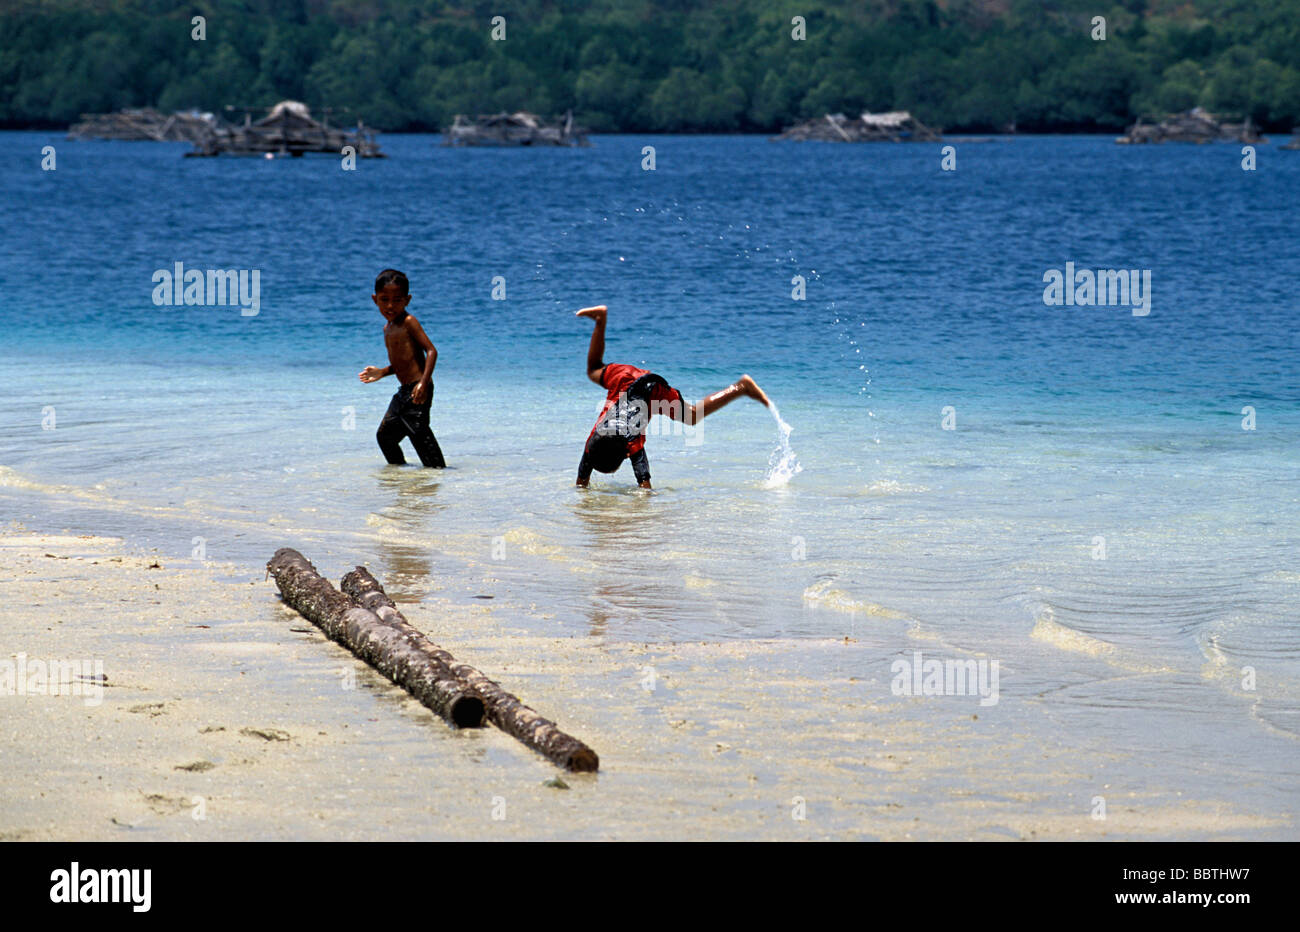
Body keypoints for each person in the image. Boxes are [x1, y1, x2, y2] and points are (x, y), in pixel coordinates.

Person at [574, 304, 770, 489]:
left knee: (692, 416)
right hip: (625, 377)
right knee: (594, 369)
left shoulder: (630, 442)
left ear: (626, 454)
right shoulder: (596, 439)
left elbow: (645, 488)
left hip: (653, 390)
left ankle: (742, 387)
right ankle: (600, 318)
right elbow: (583, 480)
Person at [358, 269, 446, 467]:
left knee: (420, 436)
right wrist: (382, 372)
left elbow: (431, 351)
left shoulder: (409, 322)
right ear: (375, 300)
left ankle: (439, 475)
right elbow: (403, 363)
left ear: (407, 300)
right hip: (404, 392)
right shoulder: (387, 329)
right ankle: (398, 476)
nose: (390, 306)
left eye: (397, 300)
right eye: (384, 299)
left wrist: (423, 383)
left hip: (417, 390)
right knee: (385, 437)